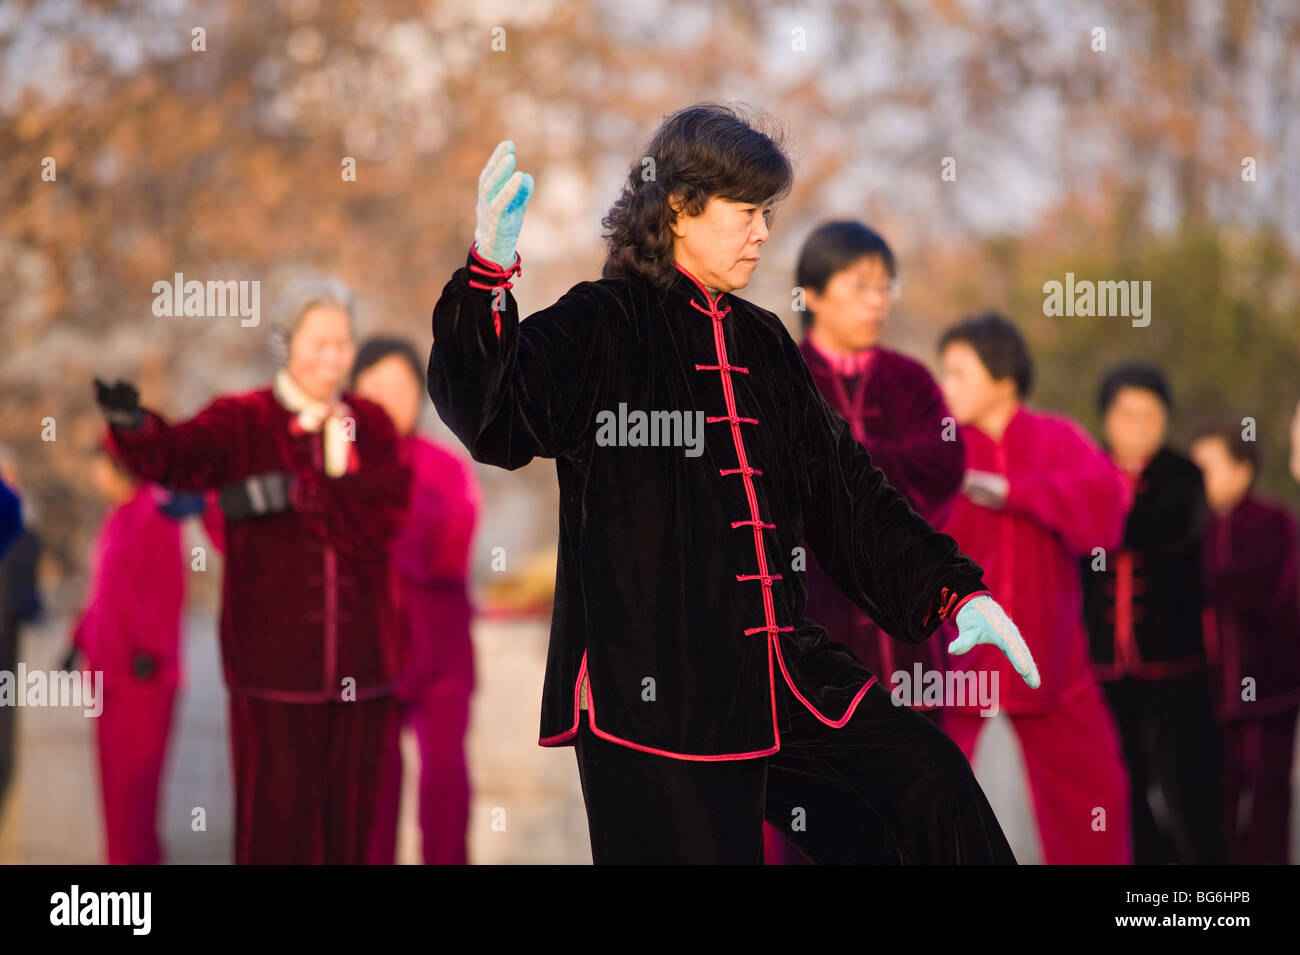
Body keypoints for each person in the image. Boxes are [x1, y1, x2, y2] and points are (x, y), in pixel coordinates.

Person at [428, 104, 1041, 864]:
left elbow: (846, 492)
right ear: (681, 208)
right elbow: (493, 416)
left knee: (926, 784)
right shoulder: (604, 322)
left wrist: (954, 591)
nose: (762, 232)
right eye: (747, 211)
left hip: (781, 674)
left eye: (768, 213)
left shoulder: (763, 341)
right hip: (655, 695)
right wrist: (486, 276)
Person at [93, 275, 412, 864]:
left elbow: (386, 507)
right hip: (273, 674)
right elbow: (181, 456)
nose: (333, 357)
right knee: (276, 833)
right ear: (285, 344)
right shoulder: (245, 420)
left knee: (355, 837)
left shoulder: (370, 423)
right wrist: (136, 426)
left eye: (342, 344)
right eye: (319, 342)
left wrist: (293, 491)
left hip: (363, 670)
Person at [765, 221, 965, 865]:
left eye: (885, 287)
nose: (877, 301)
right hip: (810, 623)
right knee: (818, 813)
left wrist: (843, 463)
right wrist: (858, 469)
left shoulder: (910, 381)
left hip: (906, 628)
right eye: (860, 286)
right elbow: (770, 475)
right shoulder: (779, 373)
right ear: (813, 295)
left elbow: (944, 459)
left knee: (916, 797)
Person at [937, 312, 1133, 865]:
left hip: (1054, 667)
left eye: (957, 373)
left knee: (1098, 795)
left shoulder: (1057, 438)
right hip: (956, 670)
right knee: (931, 806)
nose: (944, 386)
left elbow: (1105, 512)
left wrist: (1012, 490)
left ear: (1002, 379)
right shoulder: (940, 449)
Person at [1080, 363, 1226, 864]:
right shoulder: (1086, 468)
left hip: (1173, 661)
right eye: (1127, 414)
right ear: (1107, 418)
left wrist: (1102, 516)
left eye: (1151, 414)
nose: (1139, 425)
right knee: (1119, 784)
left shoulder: (1184, 477)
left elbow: (1163, 531)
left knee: (1189, 781)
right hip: (1103, 662)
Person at [353, 337, 480, 865]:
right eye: (375, 389)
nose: (388, 401)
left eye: (401, 388)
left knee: (445, 784)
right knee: (372, 791)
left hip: (440, 655)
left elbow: (450, 548)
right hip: (367, 658)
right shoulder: (335, 465)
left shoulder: (445, 467)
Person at [69, 442, 187, 864]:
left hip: (143, 681)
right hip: (109, 678)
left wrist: (151, 648)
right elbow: (104, 593)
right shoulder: (116, 516)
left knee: (135, 799)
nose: (95, 474)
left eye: (99, 464)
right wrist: (78, 640)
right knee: (116, 799)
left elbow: (166, 587)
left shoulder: (155, 512)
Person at [1190, 423, 1300, 864]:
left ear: (1242, 470)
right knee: (1215, 797)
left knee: (1269, 795)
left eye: (1209, 469)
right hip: (1209, 692)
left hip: (1271, 688)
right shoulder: (1194, 527)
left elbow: (1270, 593)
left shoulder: (1274, 522)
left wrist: (1201, 582)